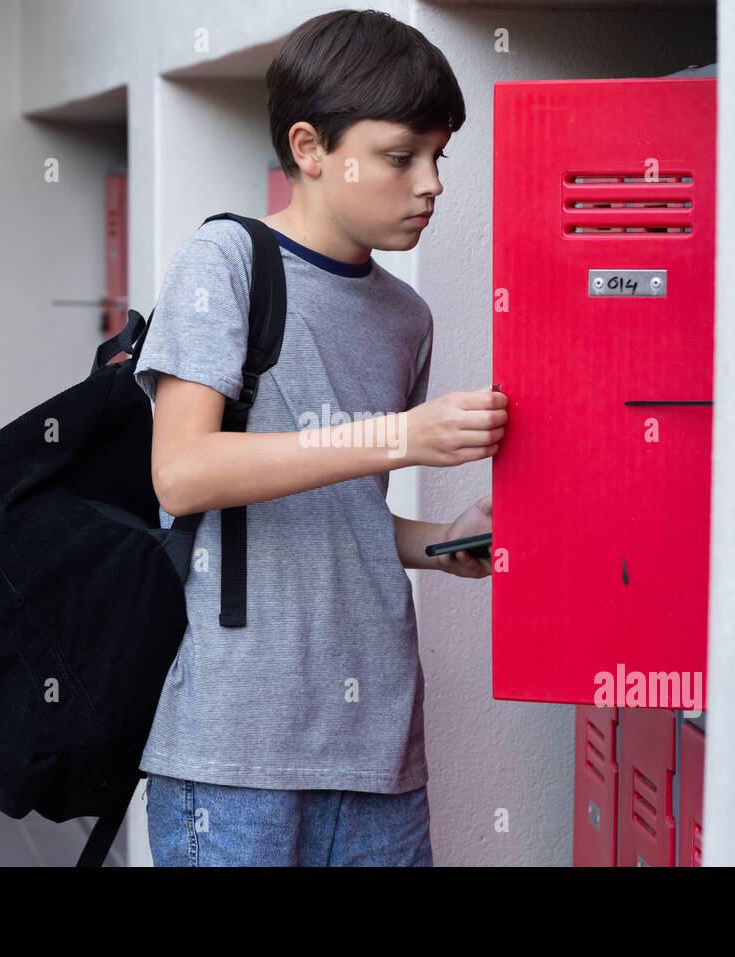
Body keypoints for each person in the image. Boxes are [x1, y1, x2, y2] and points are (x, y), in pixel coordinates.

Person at [134, 8, 507, 866]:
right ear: (310, 148)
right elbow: (182, 473)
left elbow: (342, 511)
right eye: (401, 155)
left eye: (439, 157)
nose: (432, 185)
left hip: (379, 749)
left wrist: (436, 543)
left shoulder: (405, 317)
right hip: (234, 754)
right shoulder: (226, 262)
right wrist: (400, 437)